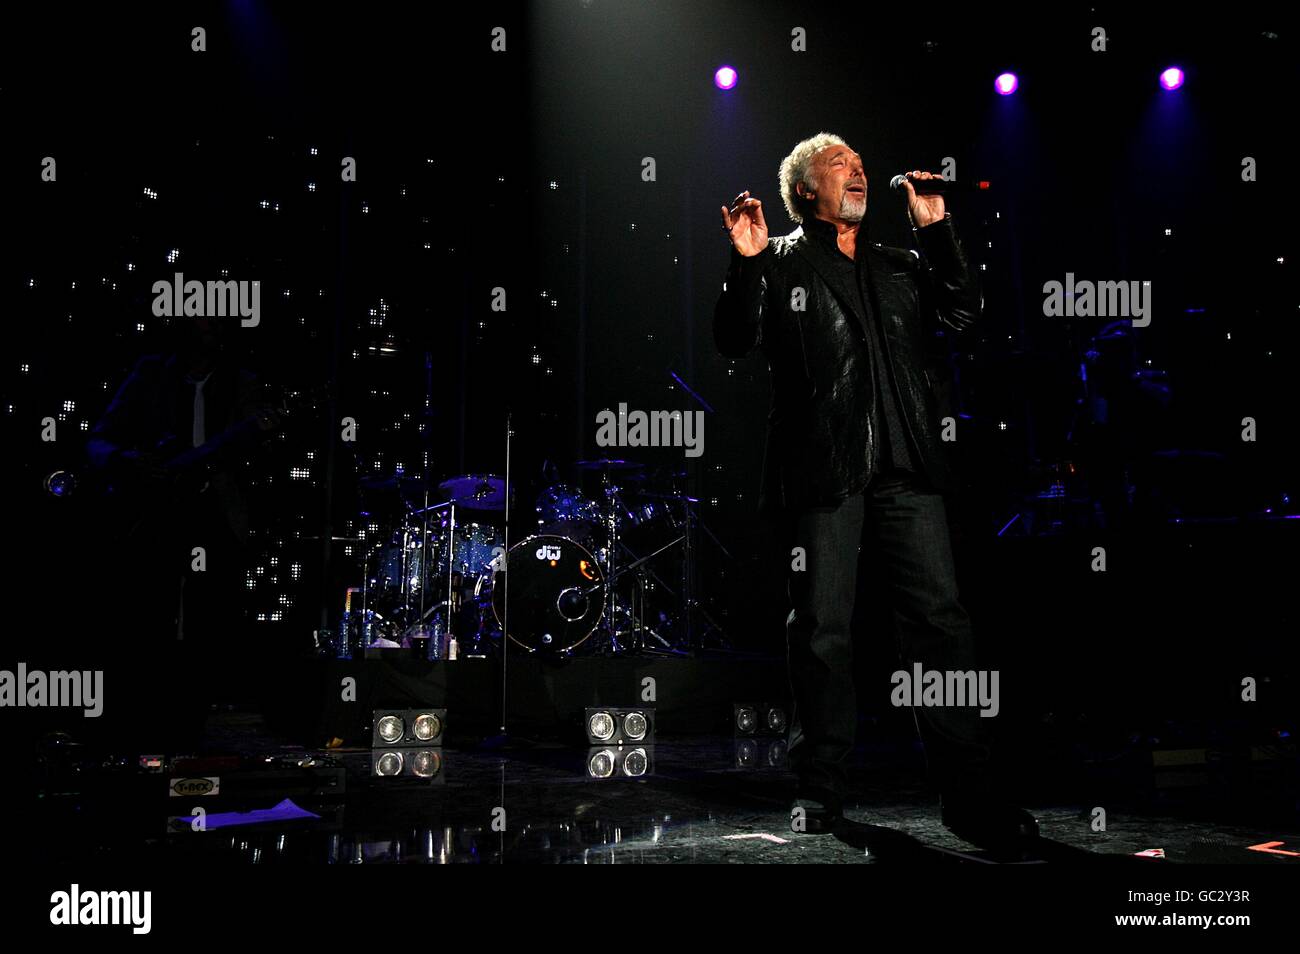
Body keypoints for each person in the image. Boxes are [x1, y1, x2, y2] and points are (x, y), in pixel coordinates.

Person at [714, 133, 1037, 846]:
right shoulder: (778, 262)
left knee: (942, 627)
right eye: (838, 164)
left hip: (911, 467)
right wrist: (743, 265)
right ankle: (820, 788)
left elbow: (963, 314)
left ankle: (970, 794)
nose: (857, 169)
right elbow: (735, 339)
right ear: (804, 191)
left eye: (859, 162)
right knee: (823, 630)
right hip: (825, 468)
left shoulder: (901, 264)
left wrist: (937, 227)